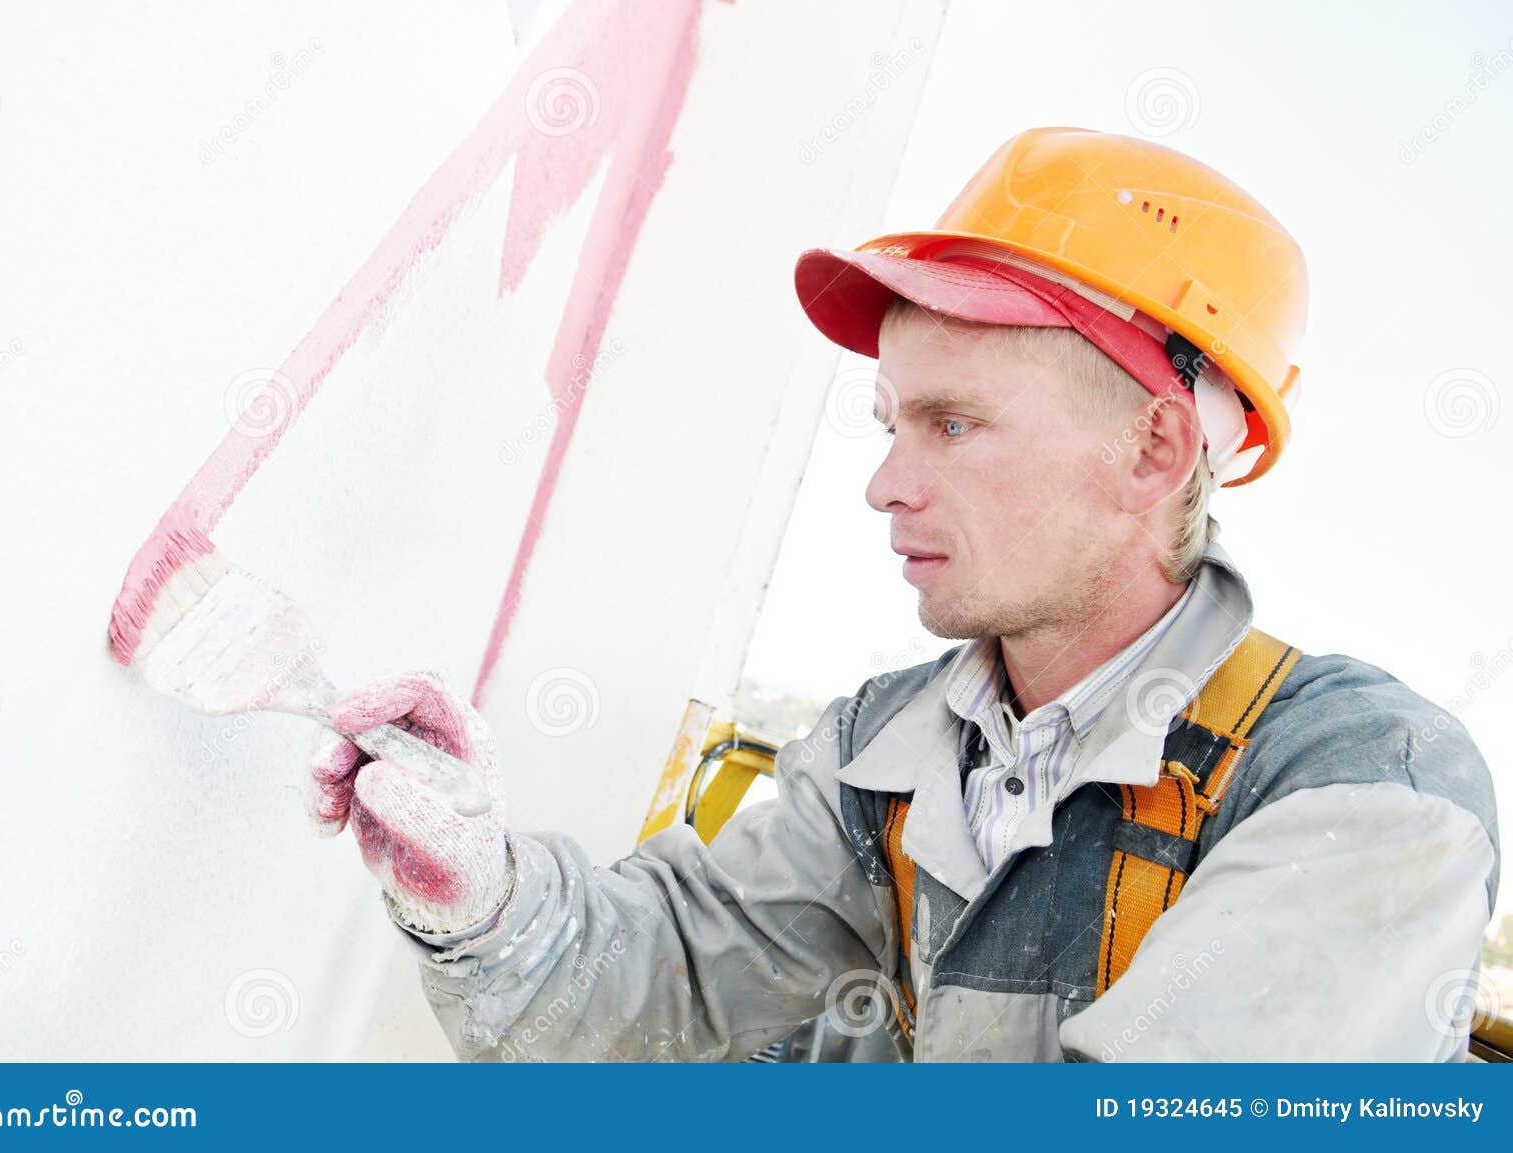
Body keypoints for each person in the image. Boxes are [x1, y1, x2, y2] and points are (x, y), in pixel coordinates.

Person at [308, 128, 1499, 1061]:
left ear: (1151, 450)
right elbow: (658, 985)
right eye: (890, 424)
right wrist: (482, 898)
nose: (883, 484)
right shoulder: (887, 753)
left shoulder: (1362, 781)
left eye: (953, 424)